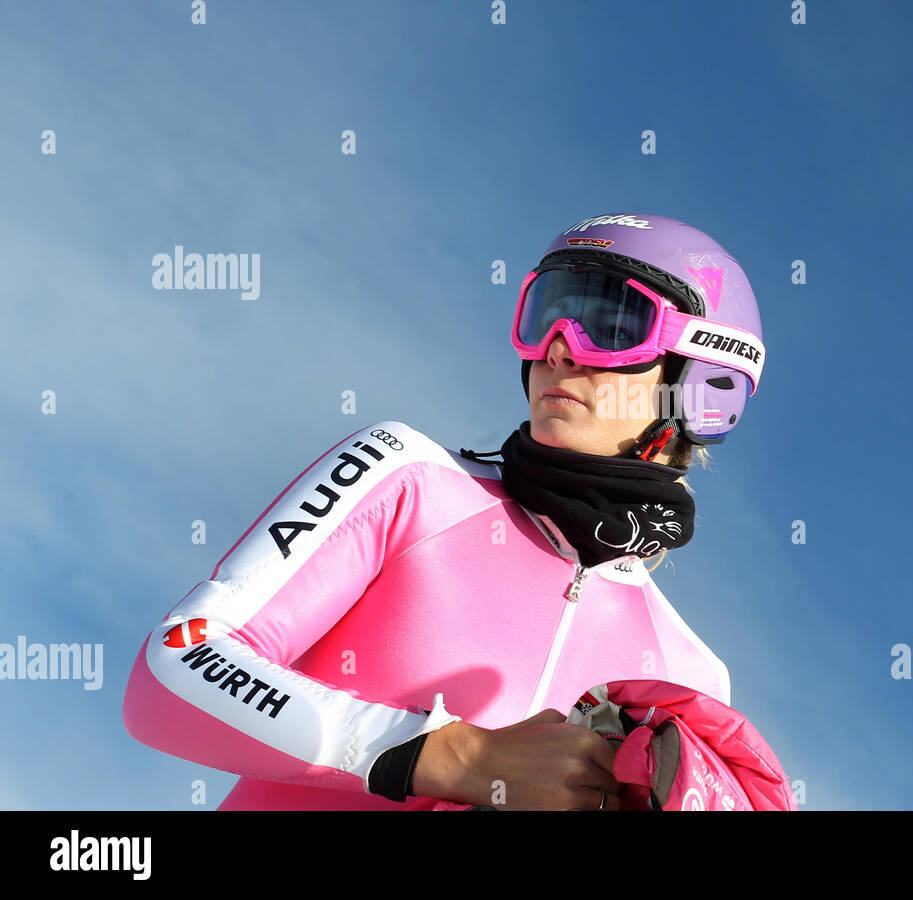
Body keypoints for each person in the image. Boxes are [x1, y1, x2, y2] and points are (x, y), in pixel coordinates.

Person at [122, 212, 767, 810]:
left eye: (614, 324)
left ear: (703, 384)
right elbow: (176, 665)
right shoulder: (410, 480)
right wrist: (459, 757)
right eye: (547, 314)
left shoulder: (690, 676)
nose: (558, 348)